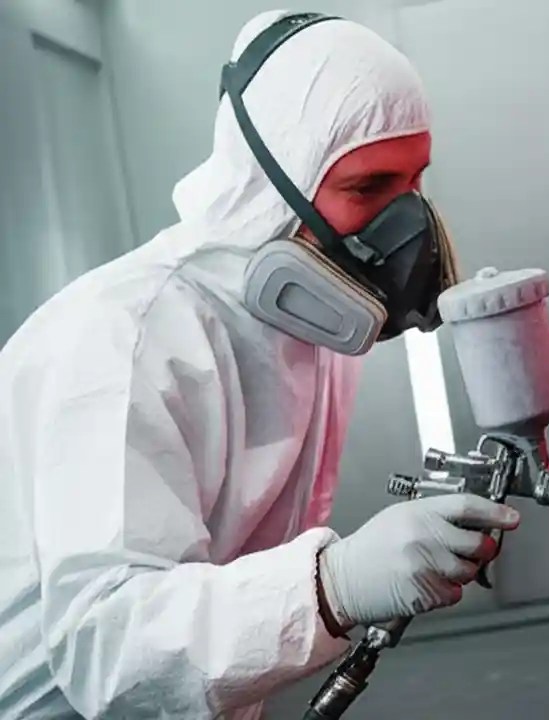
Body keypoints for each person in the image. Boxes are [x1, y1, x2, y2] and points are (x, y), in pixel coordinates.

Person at [0, 11, 519, 719]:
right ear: (277, 183)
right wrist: (330, 586)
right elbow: (108, 648)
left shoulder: (308, 331)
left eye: (413, 183)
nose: (407, 227)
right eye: (369, 189)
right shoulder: (125, 337)